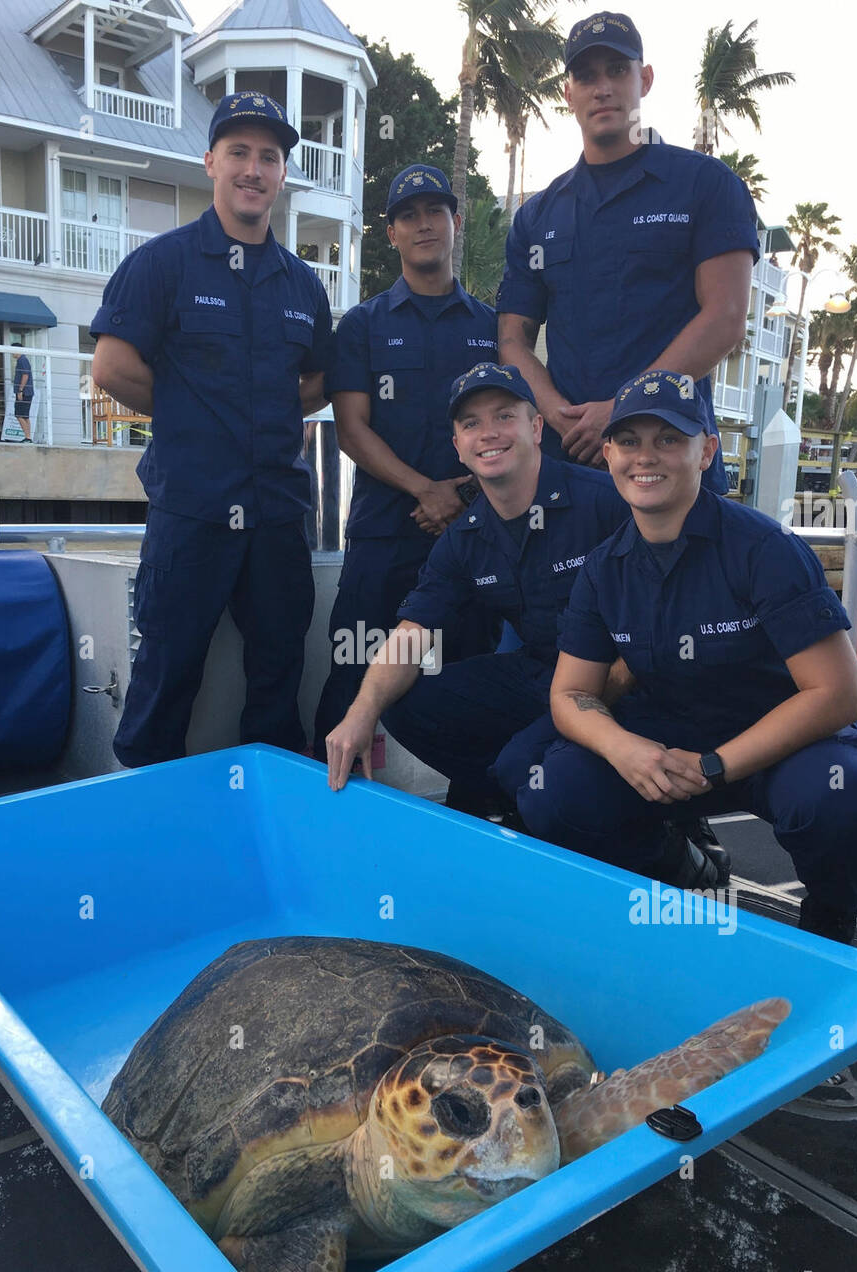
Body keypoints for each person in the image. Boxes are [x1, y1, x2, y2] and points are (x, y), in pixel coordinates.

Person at [512, 369, 857, 942]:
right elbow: (571, 693)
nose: (644, 457)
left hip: (784, 744)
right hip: (669, 743)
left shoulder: (765, 549)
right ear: (607, 453)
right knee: (548, 788)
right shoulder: (603, 568)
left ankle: (829, 920)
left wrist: (716, 764)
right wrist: (625, 749)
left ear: (706, 451)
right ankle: (678, 867)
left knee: (840, 793)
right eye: (629, 440)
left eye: (669, 439)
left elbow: (838, 693)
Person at [91, 92, 333, 767]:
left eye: (269, 157)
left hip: (279, 516)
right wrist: (193, 412)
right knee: (167, 677)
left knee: (279, 679)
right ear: (210, 164)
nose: (254, 169)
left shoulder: (303, 286)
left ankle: (262, 822)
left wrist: (265, 410)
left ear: (283, 174)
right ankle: (151, 829)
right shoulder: (162, 264)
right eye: (239, 153)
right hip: (192, 511)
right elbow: (112, 367)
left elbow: (317, 381)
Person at [325, 362, 635, 822]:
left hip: (623, 683)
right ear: (458, 447)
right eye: (471, 423)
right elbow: (413, 633)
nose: (488, 433)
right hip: (542, 674)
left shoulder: (606, 500)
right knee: (407, 704)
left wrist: (583, 707)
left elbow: (665, 616)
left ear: (535, 427)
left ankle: (666, 844)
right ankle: (508, 799)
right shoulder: (465, 537)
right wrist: (359, 713)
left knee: (531, 769)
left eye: (504, 416)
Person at [496, 11, 759, 493]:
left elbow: (725, 315)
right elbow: (513, 339)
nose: (603, 88)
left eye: (617, 70)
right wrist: (559, 415)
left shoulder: (705, 185)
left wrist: (623, 408)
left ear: (645, 79)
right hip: (569, 464)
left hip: (673, 462)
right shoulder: (538, 216)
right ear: (567, 92)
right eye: (586, 75)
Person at [312, 164, 501, 755]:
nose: (423, 225)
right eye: (408, 216)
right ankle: (329, 812)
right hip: (382, 538)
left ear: (455, 222)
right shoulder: (364, 325)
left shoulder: (492, 329)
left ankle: (470, 819)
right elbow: (351, 429)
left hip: (472, 536)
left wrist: (462, 495)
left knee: (467, 683)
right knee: (351, 676)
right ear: (390, 233)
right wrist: (426, 491)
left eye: (434, 212)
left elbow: (510, 433)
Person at [12, 343, 34, 442]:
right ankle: (28, 437)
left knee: (19, 414)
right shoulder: (22, 360)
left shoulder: (22, 360)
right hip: (27, 392)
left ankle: (27, 436)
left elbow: (25, 375)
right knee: (24, 415)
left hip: (24, 392)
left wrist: (20, 390)